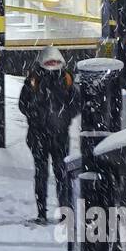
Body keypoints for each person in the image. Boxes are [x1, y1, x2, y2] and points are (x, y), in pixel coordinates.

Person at [19, 47, 78, 225]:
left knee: (42, 173)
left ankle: (42, 213)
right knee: (61, 174)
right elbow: (75, 105)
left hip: (39, 134)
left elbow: (23, 105)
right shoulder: (66, 79)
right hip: (58, 135)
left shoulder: (34, 78)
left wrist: (36, 116)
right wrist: (62, 118)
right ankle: (65, 213)